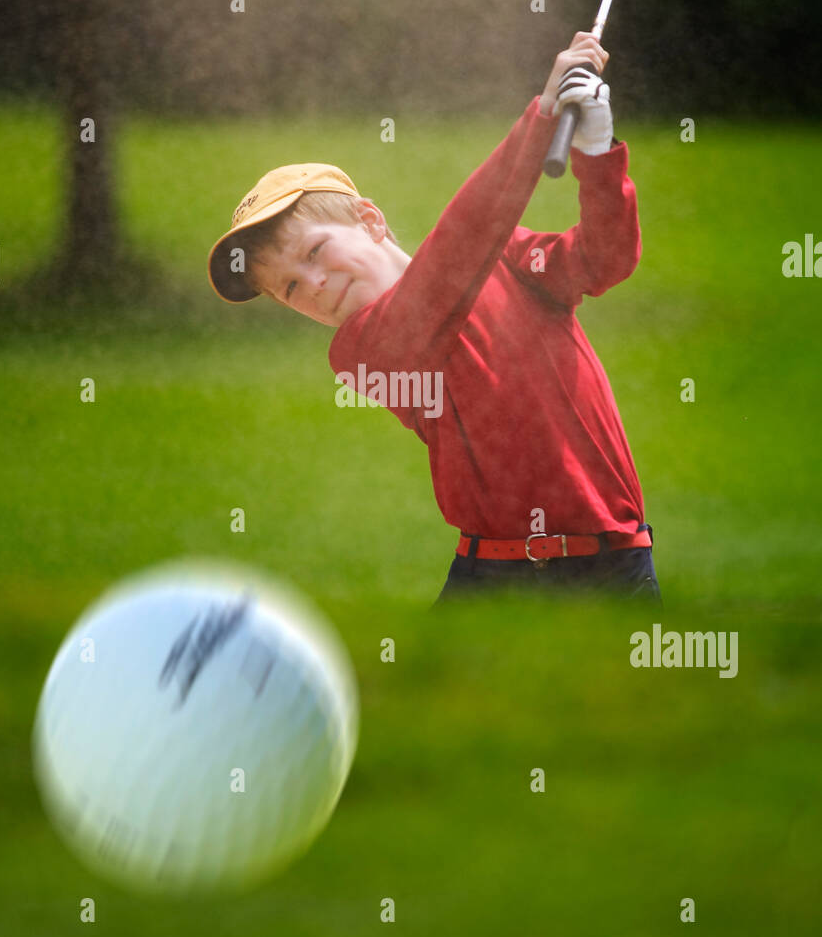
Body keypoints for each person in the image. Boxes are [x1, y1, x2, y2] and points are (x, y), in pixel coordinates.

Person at [207, 32, 661, 606]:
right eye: (291, 288)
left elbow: (604, 260)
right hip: (494, 584)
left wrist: (596, 151)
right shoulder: (362, 354)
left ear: (370, 220)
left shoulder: (508, 257)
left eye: (316, 252)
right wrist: (544, 114)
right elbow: (457, 252)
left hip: (614, 564)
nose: (314, 286)